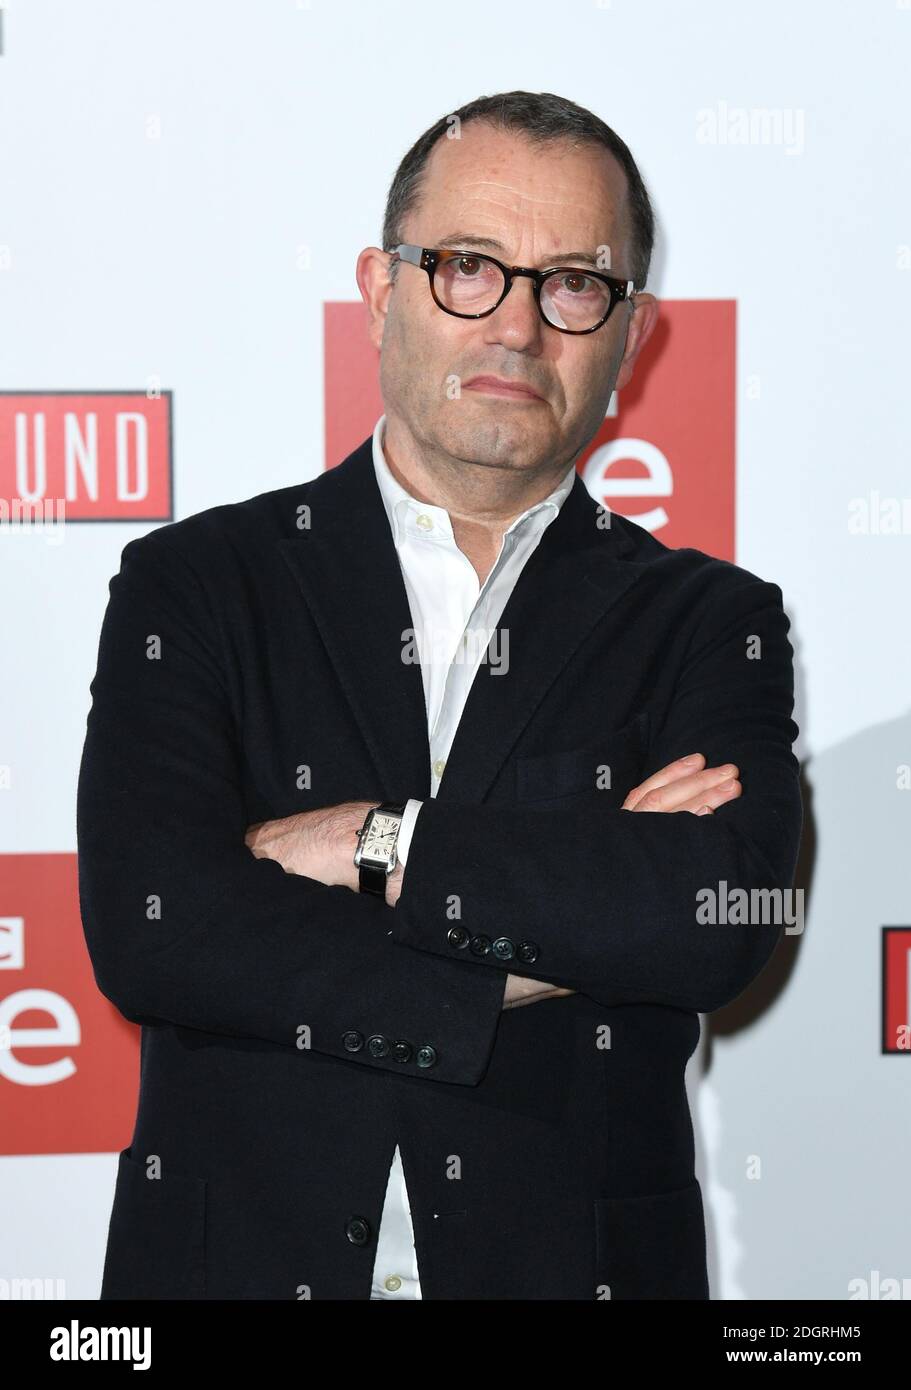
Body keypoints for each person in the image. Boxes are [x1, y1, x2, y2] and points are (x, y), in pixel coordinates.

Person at [77, 90, 802, 1300]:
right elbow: (158, 931)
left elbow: (709, 919)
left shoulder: (706, 621)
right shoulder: (198, 585)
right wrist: (571, 902)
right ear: (379, 288)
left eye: (573, 282)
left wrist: (377, 843)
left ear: (633, 333)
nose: (516, 325)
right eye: (468, 266)